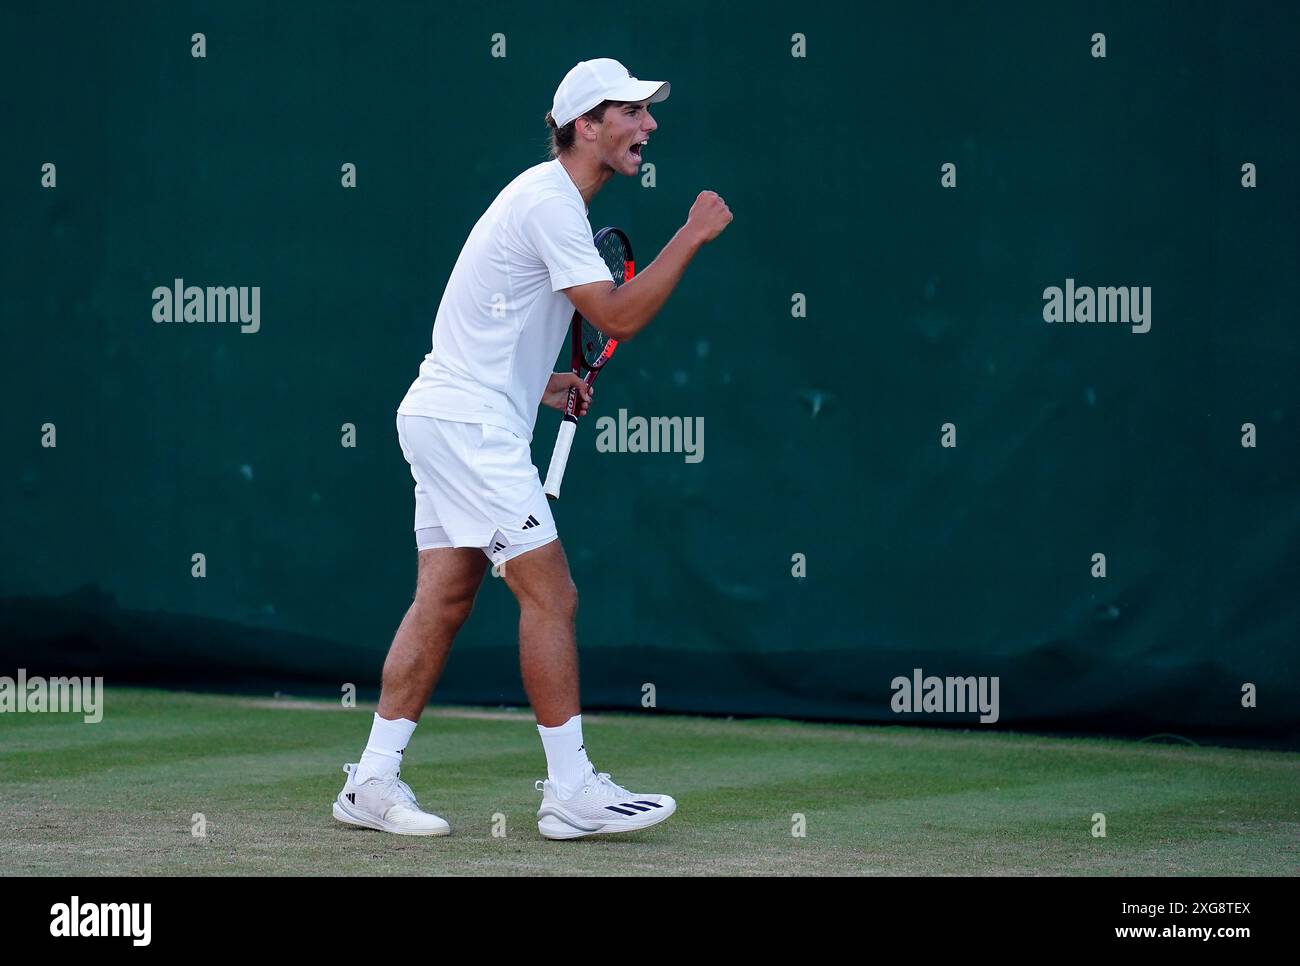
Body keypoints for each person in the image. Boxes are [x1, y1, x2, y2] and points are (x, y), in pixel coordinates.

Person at [331, 57, 732, 840]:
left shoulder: (549, 201)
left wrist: (544, 385)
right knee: (552, 593)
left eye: (648, 112)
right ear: (587, 124)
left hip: (449, 412)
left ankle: (371, 782)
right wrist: (690, 235)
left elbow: (493, 325)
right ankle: (571, 791)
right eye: (632, 112)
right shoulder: (550, 202)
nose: (649, 125)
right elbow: (615, 317)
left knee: (444, 599)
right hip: (467, 426)